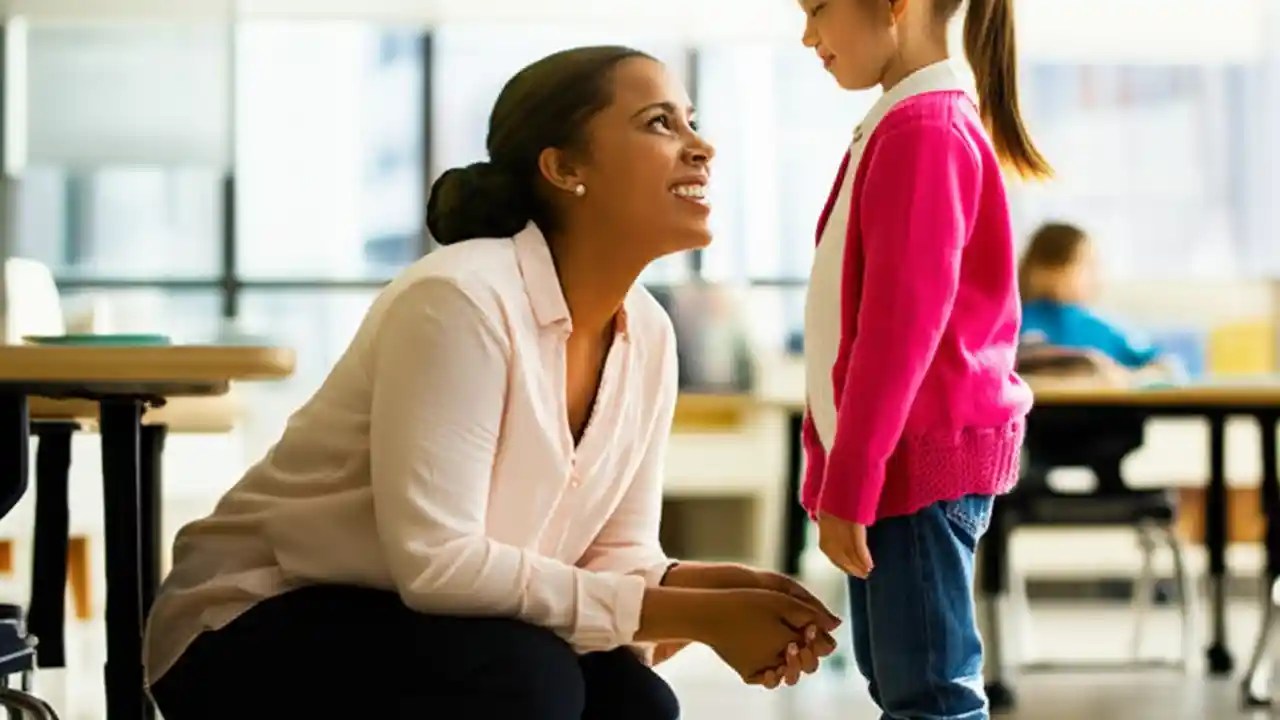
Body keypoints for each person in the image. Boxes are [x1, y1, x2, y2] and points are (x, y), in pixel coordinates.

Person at [143, 46, 840, 720]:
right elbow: (438, 563)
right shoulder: (461, 297)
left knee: (635, 702)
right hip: (248, 625)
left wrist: (701, 586)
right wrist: (685, 612)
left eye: (691, 119)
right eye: (660, 123)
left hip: (414, 617)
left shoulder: (649, 333)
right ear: (565, 168)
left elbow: (615, 553)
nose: (701, 146)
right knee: (526, 682)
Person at [795, 1, 1049, 717]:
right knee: (901, 682)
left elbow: (898, 331)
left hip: (910, 463)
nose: (808, 35)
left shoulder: (923, 130)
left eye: (817, 8)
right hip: (894, 463)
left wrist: (853, 478)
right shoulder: (900, 122)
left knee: (930, 694)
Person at [1018, 222, 1184, 385]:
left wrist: (1130, 378)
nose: (1097, 275)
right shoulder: (1017, 323)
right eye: (1087, 264)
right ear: (1049, 269)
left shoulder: (1100, 328)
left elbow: (1166, 365)